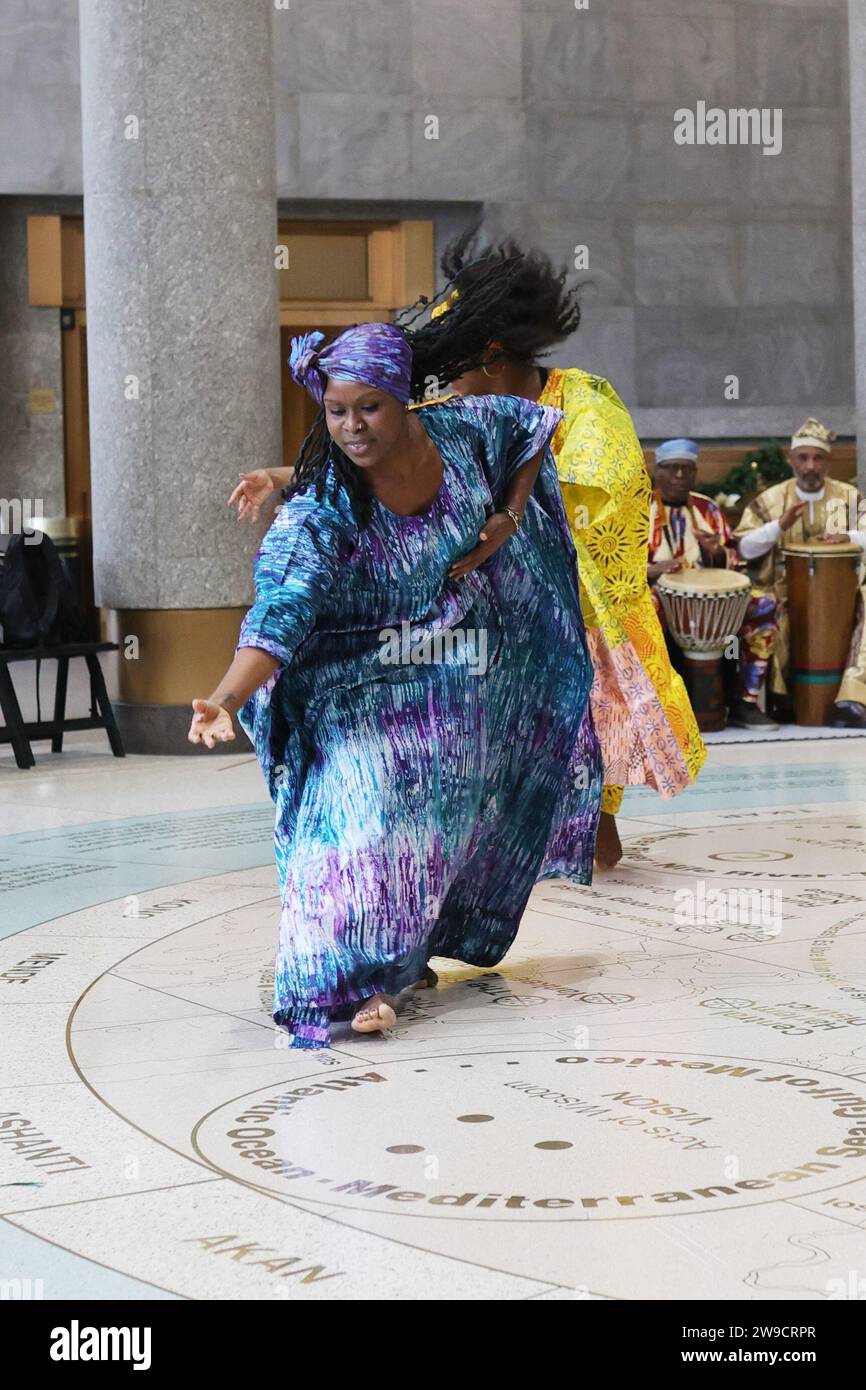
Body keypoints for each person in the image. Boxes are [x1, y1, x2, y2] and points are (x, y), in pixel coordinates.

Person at [193, 320, 602, 1048]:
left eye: (369, 408)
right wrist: (224, 697)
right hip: (345, 675)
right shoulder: (323, 510)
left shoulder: (464, 431)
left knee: (448, 797)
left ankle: (401, 962)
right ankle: (337, 985)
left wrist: (508, 518)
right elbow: (277, 615)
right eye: (336, 411)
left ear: (404, 399)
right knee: (367, 809)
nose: (351, 427)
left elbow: (532, 429)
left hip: (449, 656)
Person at [401, 236, 705, 868]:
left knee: (593, 827)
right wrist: (287, 475)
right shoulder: (466, 409)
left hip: (579, 623)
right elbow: (394, 447)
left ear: (490, 355)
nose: (446, 384)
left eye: (454, 366)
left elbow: (595, 499)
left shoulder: (585, 402)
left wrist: (505, 512)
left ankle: (579, 834)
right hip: (494, 624)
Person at [734, 417, 866, 727]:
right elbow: (743, 548)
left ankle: (852, 697)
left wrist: (850, 537)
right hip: (782, 593)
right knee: (769, 610)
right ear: (791, 460)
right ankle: (783, 699)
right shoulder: (772, 499)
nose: (811, 466)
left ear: (828, 462)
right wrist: (777, 527)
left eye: (818, 458)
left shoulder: (848, 497)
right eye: (803, 458)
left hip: (843, 596)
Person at [648, 438, 779, 729]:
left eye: (687, 469)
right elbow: (618, 562)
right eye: (672, 469)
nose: (680, 476)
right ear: (658, 471)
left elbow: (733, 561)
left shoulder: (707, 509)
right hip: (658, 596)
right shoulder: (639, 509)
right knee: (645, 612)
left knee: (764, 605)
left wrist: (716, 553)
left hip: (714, 605)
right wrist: (653, 569)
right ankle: (657, 708)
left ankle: (745, 701)